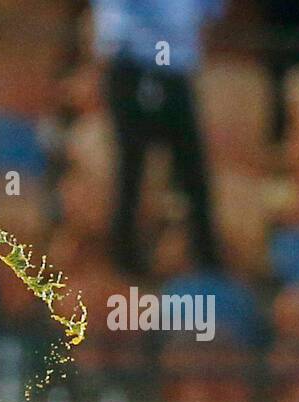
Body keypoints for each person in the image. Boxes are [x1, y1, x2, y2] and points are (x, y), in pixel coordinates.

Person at [90, 0, 224, 274]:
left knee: (193, 172)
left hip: (175, 74)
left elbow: (210, 12)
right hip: (132, 69)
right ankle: (125, 263)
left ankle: (207, 262)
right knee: (132, 170)